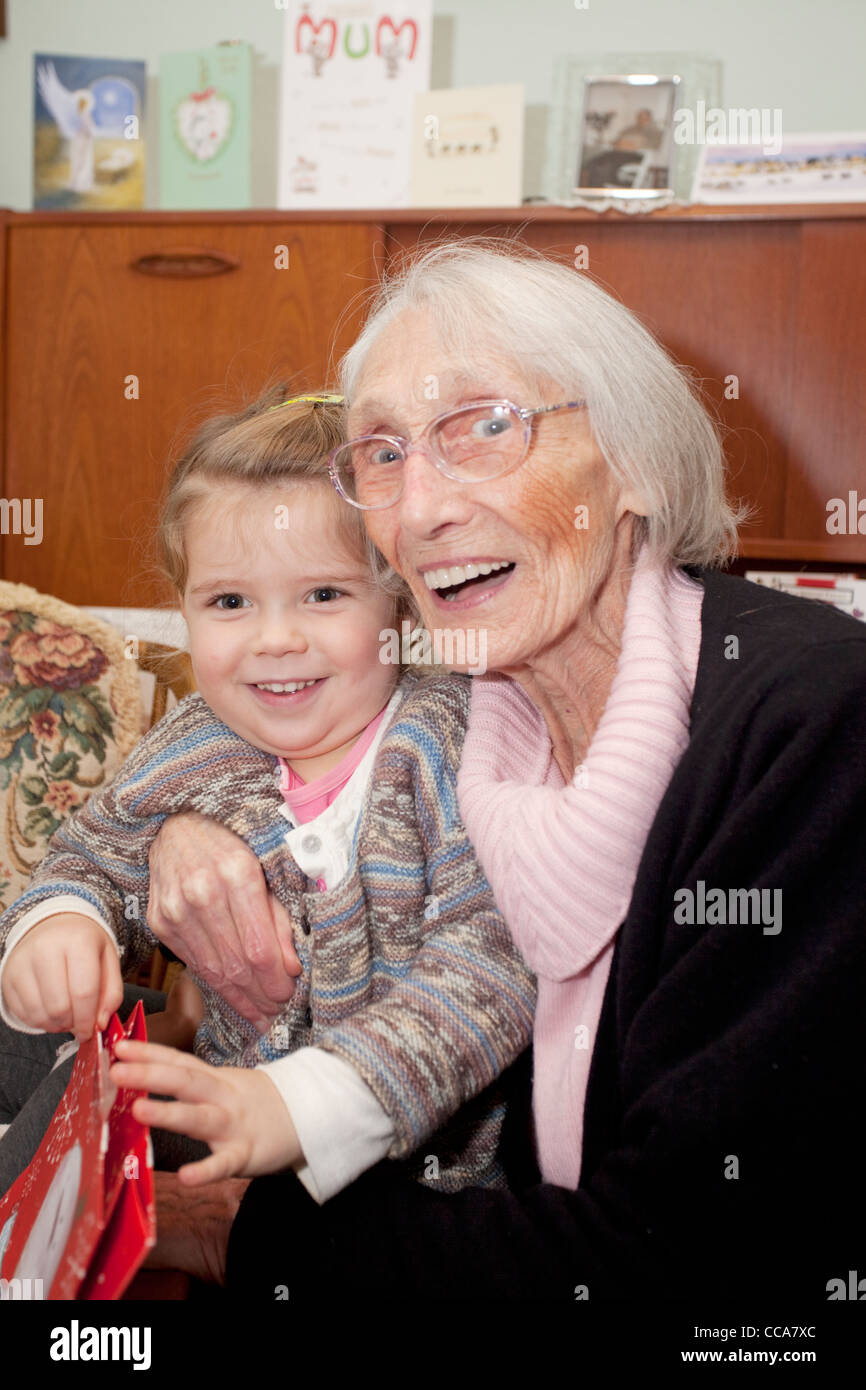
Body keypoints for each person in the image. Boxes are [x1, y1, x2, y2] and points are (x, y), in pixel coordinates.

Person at [134, 240, 866, 1301]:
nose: (417, 508)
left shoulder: (810, 724)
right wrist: (182, 826)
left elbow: (695, 1268)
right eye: (380, 452)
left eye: (484, 426)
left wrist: (242, 1235)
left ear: (636, 464)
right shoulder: (483, 717)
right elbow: (286, 733)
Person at [0, 392, 535, 1202]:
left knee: (101, 1101)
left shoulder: (446, 741)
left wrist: (305, 1101)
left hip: (399, 1160)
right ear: (180, 606)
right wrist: (60, 926)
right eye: (228, 602)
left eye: (323, 595)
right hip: (223, 1095)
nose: (274, 638)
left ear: (398, 599)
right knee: (81, 1070)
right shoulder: (195, 744)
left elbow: (492, 966)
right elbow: (88, 858)